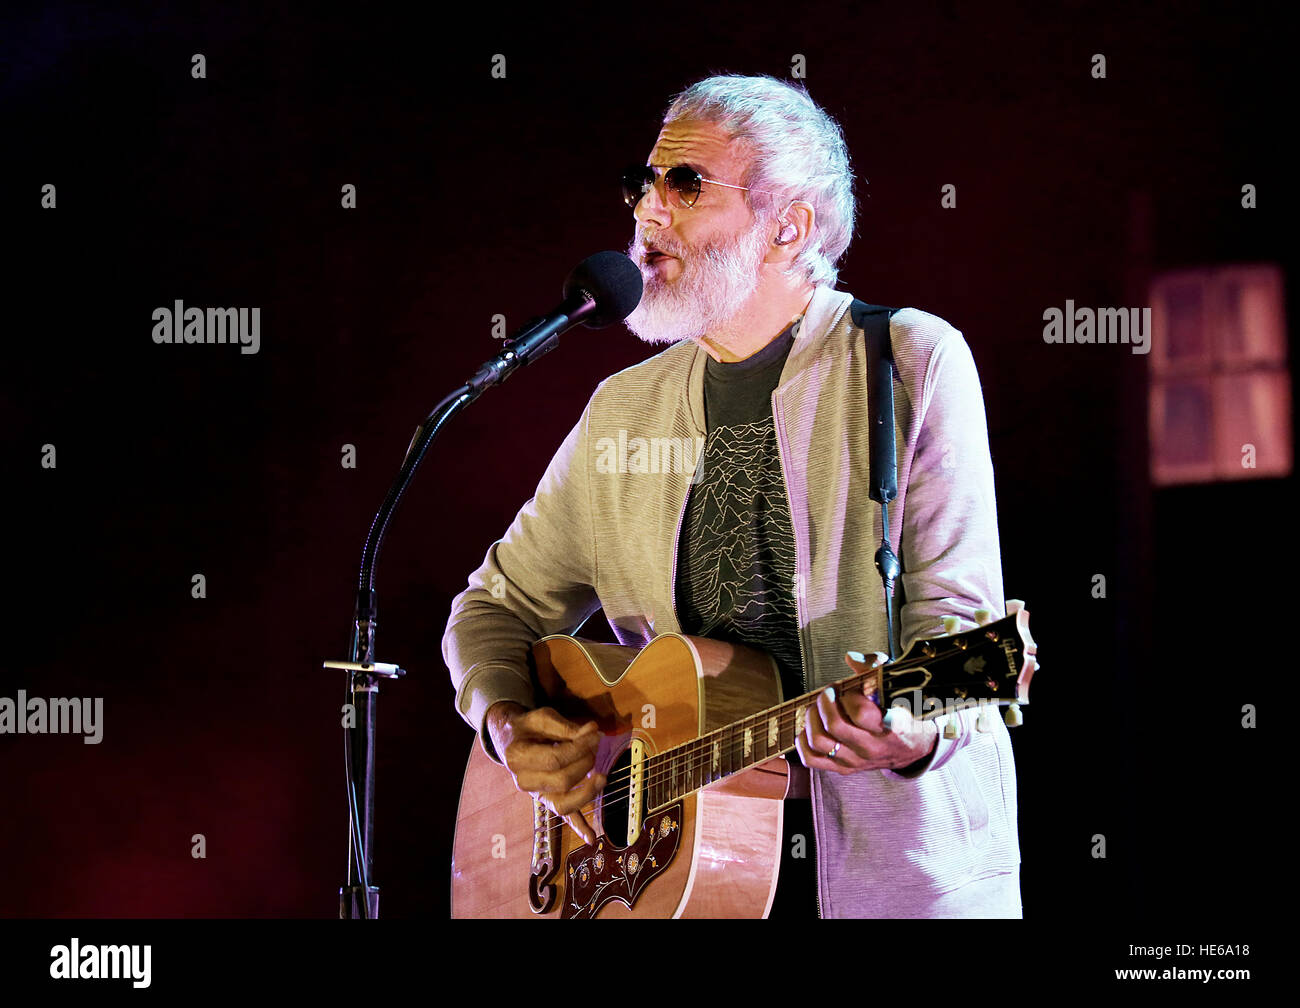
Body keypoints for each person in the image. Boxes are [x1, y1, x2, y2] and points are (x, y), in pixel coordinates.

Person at [443, 74, 1021, 917]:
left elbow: (974, 648)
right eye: (644, 183)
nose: (648, 212)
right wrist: (507, 723)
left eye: (686, 185)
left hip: (899, 888)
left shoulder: (909, 361)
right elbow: (493, 608)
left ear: (788, 225)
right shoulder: (623, 411)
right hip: (683, 889)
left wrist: (915, 726)